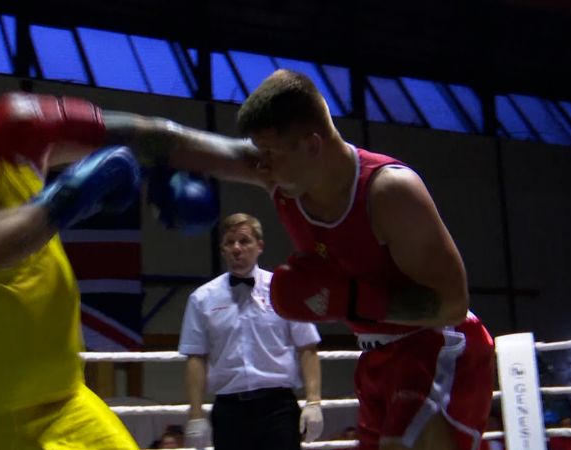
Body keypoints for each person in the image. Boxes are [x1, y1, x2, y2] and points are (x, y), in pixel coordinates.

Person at [122, 69, 496, 450]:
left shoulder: (388, 191)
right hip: (375, 357)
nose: (260, 166)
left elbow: (452, 304)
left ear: (313, 145)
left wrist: (349, 299)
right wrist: (73, 124)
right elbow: (170, 140)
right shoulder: (283, 176)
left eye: (269, 154)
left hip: (435, 346)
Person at [0, 66, 210, 449]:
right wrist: (77, 190)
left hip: (60, 407)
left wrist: (265, 168)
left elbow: (156, 136)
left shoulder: (17, 157)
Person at [178, 213, 324, 450]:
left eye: (244, 241)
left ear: (259, 246)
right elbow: (196, 358)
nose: (237, 248)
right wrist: (195, 416)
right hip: (229, 410)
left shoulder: (284, 289)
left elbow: (307, 346)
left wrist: (314, 402)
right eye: (230, 242)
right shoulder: (202, 298)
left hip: (278, 407)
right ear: (223, 249)